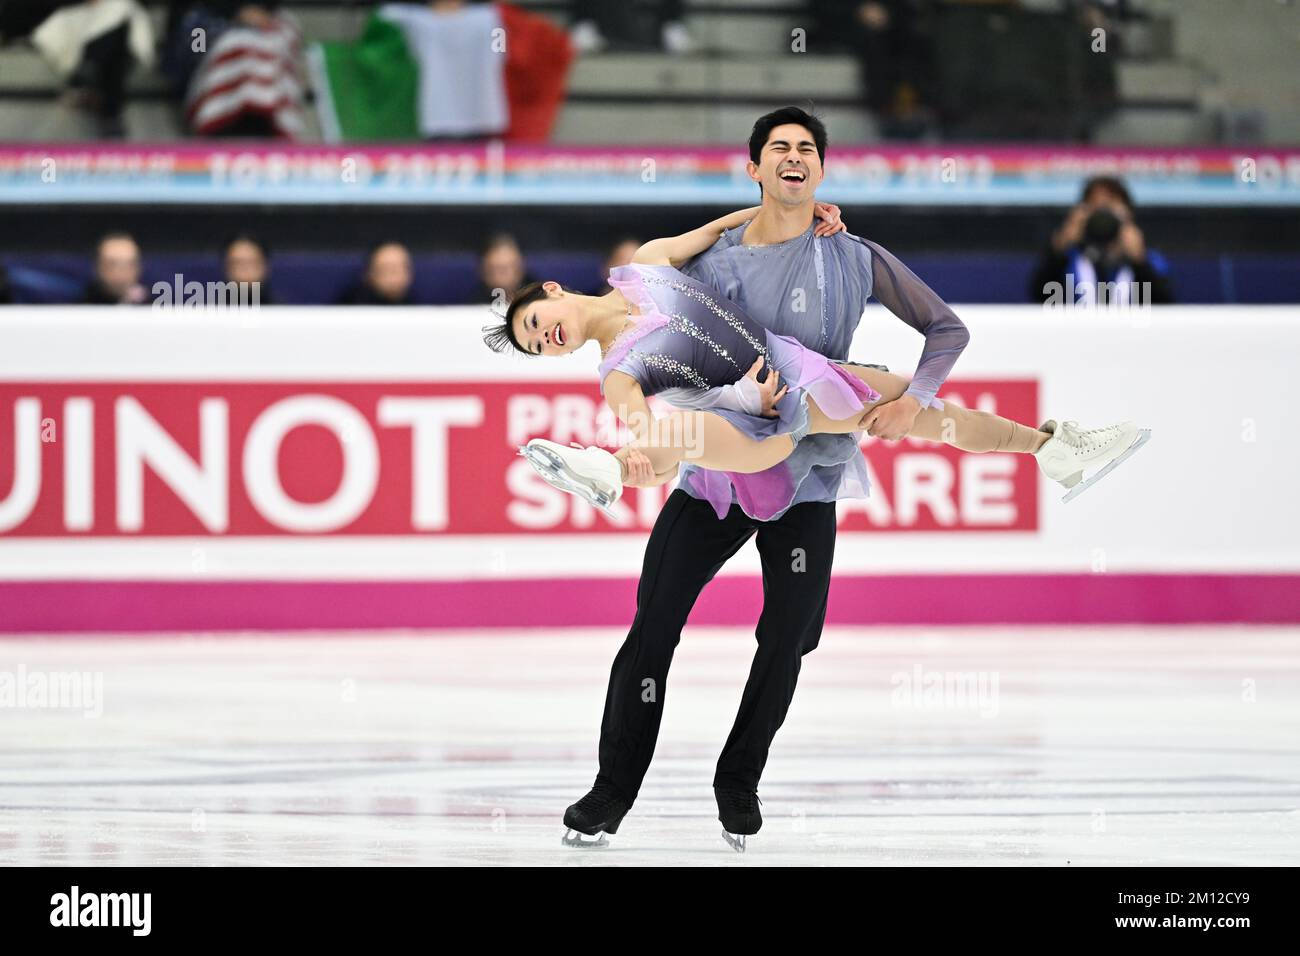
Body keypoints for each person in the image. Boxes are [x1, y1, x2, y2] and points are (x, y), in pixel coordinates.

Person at [483, 107, 1149, 850]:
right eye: (536, 346)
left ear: (549, 290)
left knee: (801, 617)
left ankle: (1052, 448)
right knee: (652, 623)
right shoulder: (615, 372)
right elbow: (640, 413)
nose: (546, 335)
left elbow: (736, 222)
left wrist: (803, 211)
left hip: (794, 397)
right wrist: (642, 447)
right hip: (726, 454)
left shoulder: (653, 262)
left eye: (536, 320)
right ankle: (611, 790)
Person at [1030, 175, 1175, 305]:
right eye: (1095, 207)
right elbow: (1040, 298)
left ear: (1128, 213)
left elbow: (1164, 306)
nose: (1103, 216)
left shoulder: (1150, 260)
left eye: (1110, 207)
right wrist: (1059, 249)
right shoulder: (1069, 259)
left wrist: (1139, 262)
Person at [339, 241, 414, 305]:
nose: (393, 277)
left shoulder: (418, 308)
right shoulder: (350, 307)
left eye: (399, 269)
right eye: (386, 269)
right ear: (369, 274)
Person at [84, 232, 146, 304]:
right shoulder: (76, 307)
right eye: (112, 264)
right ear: (98, 267)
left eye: (129, 264)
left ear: (138, 268)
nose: (121, 273)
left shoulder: (153, 306)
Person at [222, 233, 272, 303]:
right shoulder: (210, 311)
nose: (245, 270)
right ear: (226, 267)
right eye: (238, 264)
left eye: (251, 263)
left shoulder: (284, 311)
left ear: (265, 266)